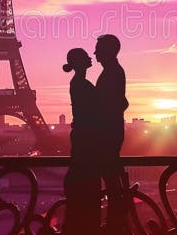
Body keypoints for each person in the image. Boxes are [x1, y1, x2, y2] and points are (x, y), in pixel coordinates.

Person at [62, 48, 101, 235]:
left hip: (82, 141)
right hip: (86, 142)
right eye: (86, 56)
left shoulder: (78, 83)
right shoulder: (81, 84)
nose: (90, 57)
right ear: (78, 62)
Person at [94, 34, 129, 234]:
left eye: (98, 48)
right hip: (112, 133)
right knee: (111, 180)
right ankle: (116, 221)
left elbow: (111, 104)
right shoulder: (115, 71)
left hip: (107, 135)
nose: (95, 52)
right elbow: (121, 102)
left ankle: (114, 223)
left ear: (107, 51)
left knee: (110, 181)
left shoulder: (111, 73)